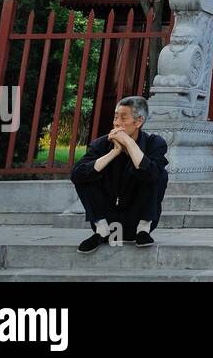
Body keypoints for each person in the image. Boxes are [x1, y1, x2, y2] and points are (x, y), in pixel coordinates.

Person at [69, 95, 169, 252]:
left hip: (136, 220)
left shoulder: (154, 143)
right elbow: (76, 175)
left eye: (123, 118)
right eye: (115, 117)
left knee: (158, 173)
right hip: (109, 222)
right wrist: (114, 152)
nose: (116, 123)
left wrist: (129, 144)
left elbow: (152, 175)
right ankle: (101, 230)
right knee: (86, 172)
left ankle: (143, 229)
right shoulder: (101, 144)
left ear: (138, 122)